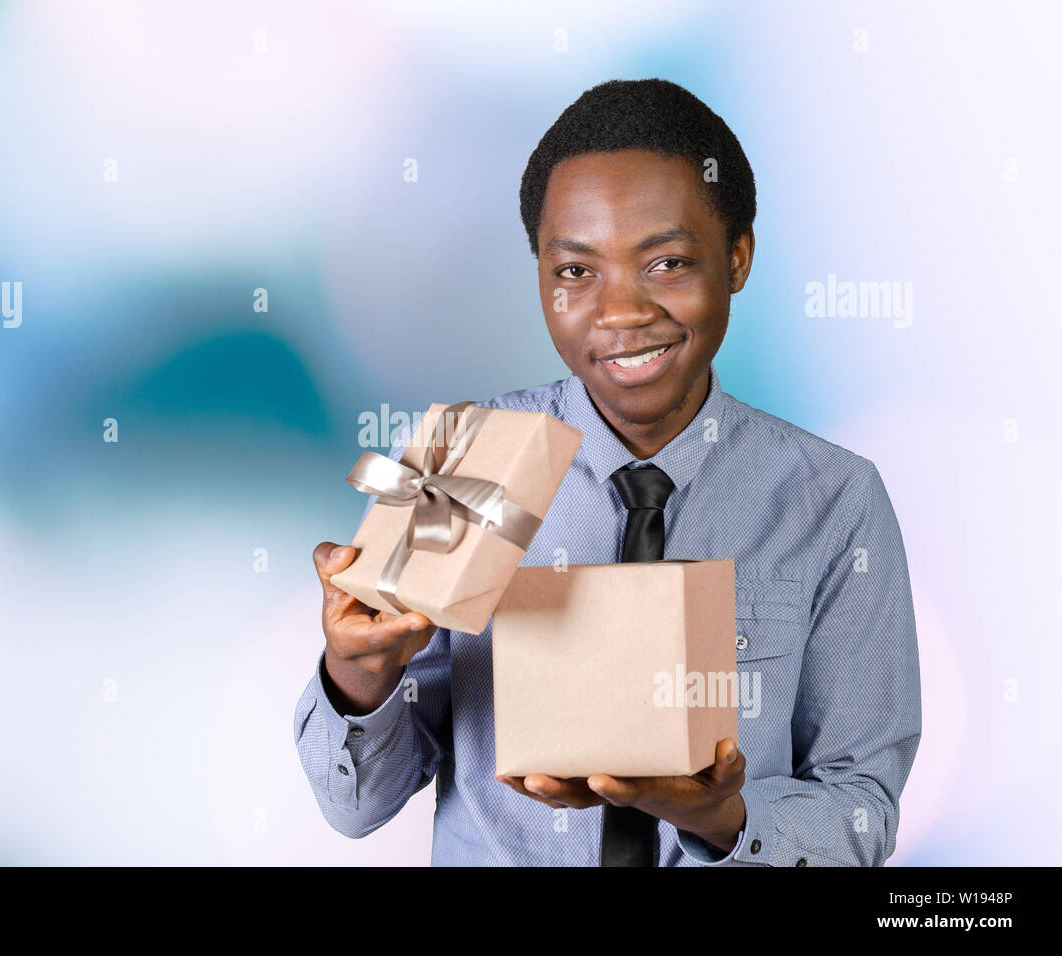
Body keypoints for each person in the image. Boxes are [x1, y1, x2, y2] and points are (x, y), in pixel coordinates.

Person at [294, 78, 921, 866]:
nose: (621, 313)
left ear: (737, 257)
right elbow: (354, 808)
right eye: (576, 273)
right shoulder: (462, 464)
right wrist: (359, 673)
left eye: (665, 263)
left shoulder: (834, 500)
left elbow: (863, 816)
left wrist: (720, 815)